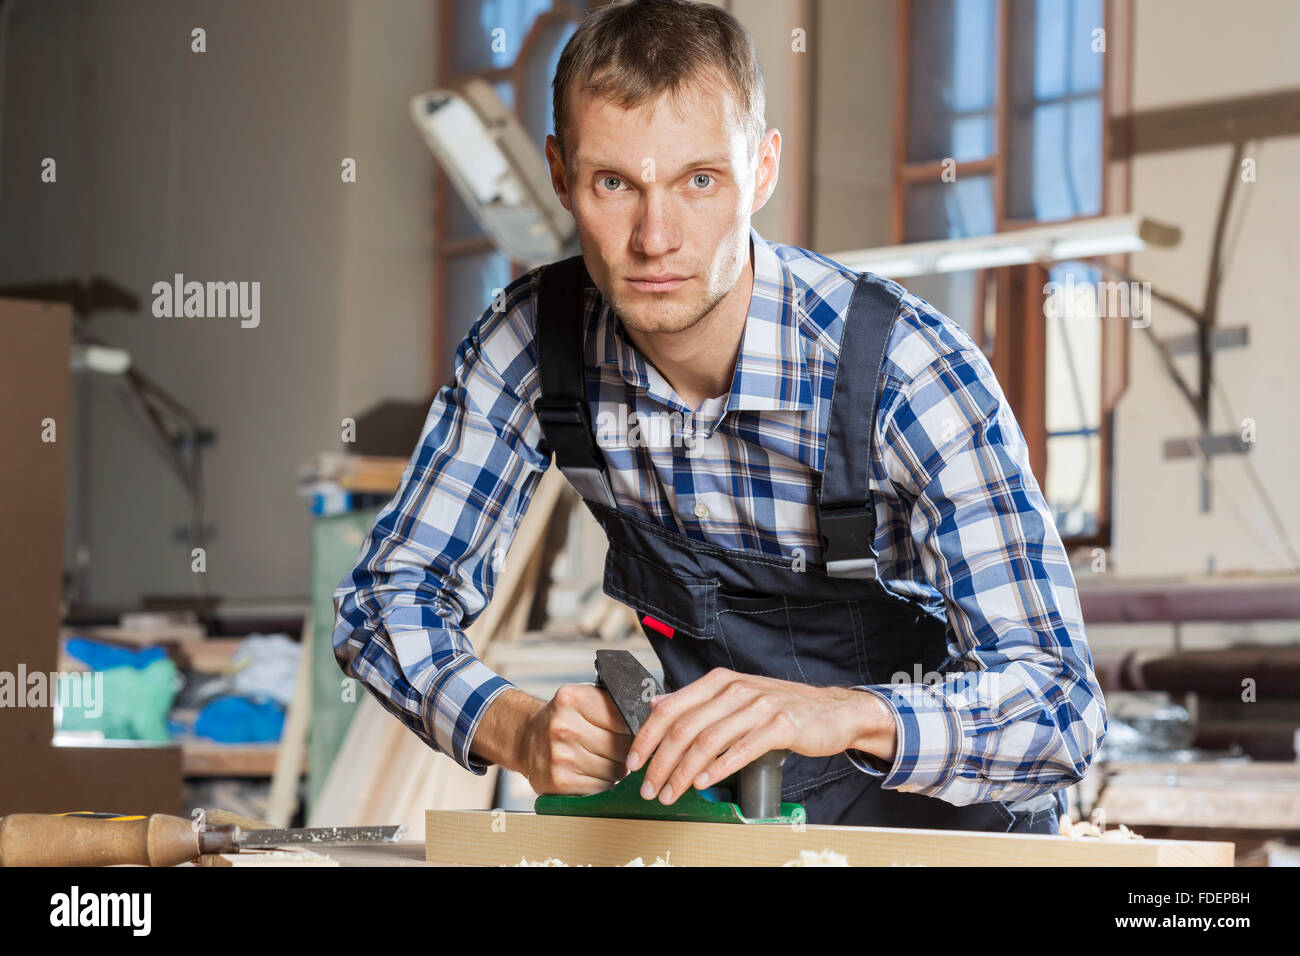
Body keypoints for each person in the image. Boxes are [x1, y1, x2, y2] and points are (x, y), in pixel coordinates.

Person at [333, 0, 1106, 831]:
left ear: (762, 169)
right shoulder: (531, 341)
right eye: (613, 184)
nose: (655, 237)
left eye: (699, 181)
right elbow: (386, 599)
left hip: (944, 841)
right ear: (560, 175)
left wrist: (843, 714)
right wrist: (509, 725)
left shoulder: (908, 372)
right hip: (736, 838)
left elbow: (1059, 704)